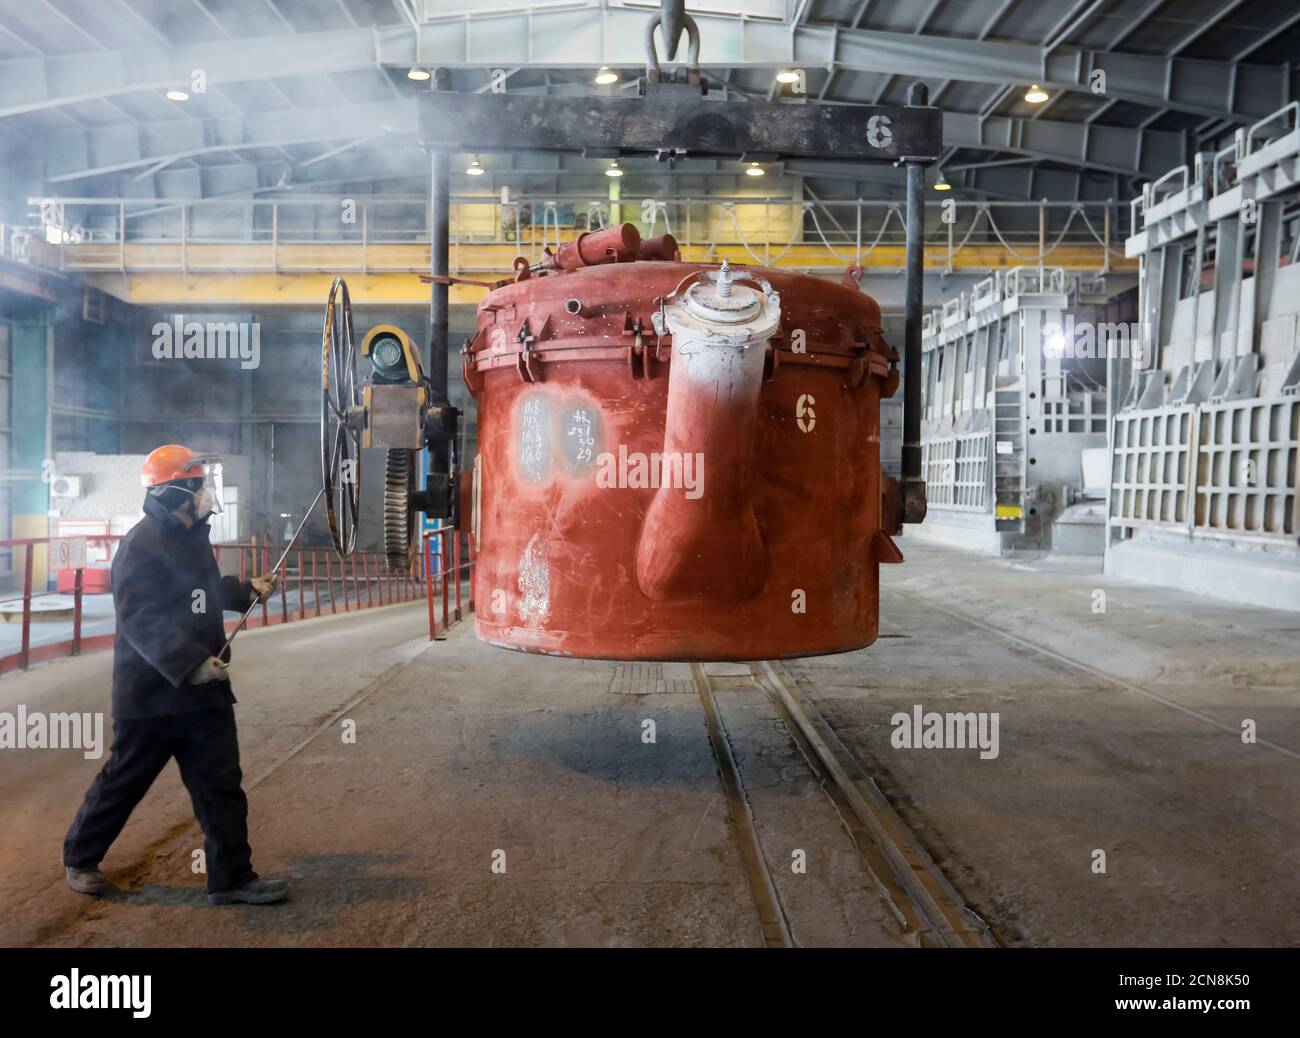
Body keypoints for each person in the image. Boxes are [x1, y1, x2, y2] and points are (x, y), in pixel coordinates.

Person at [63, 444, 288, 905]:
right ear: (171, 493)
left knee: (221, 785)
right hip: (152, 696)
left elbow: (198, 594)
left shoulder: (192, 538)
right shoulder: (140, 546)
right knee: (124, 781)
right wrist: (191, 664)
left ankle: (232, 879)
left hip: (203, 693)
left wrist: (245, 590)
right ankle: (81, 858)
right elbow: (140, 618)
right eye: (196, 486)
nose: (204, 494)